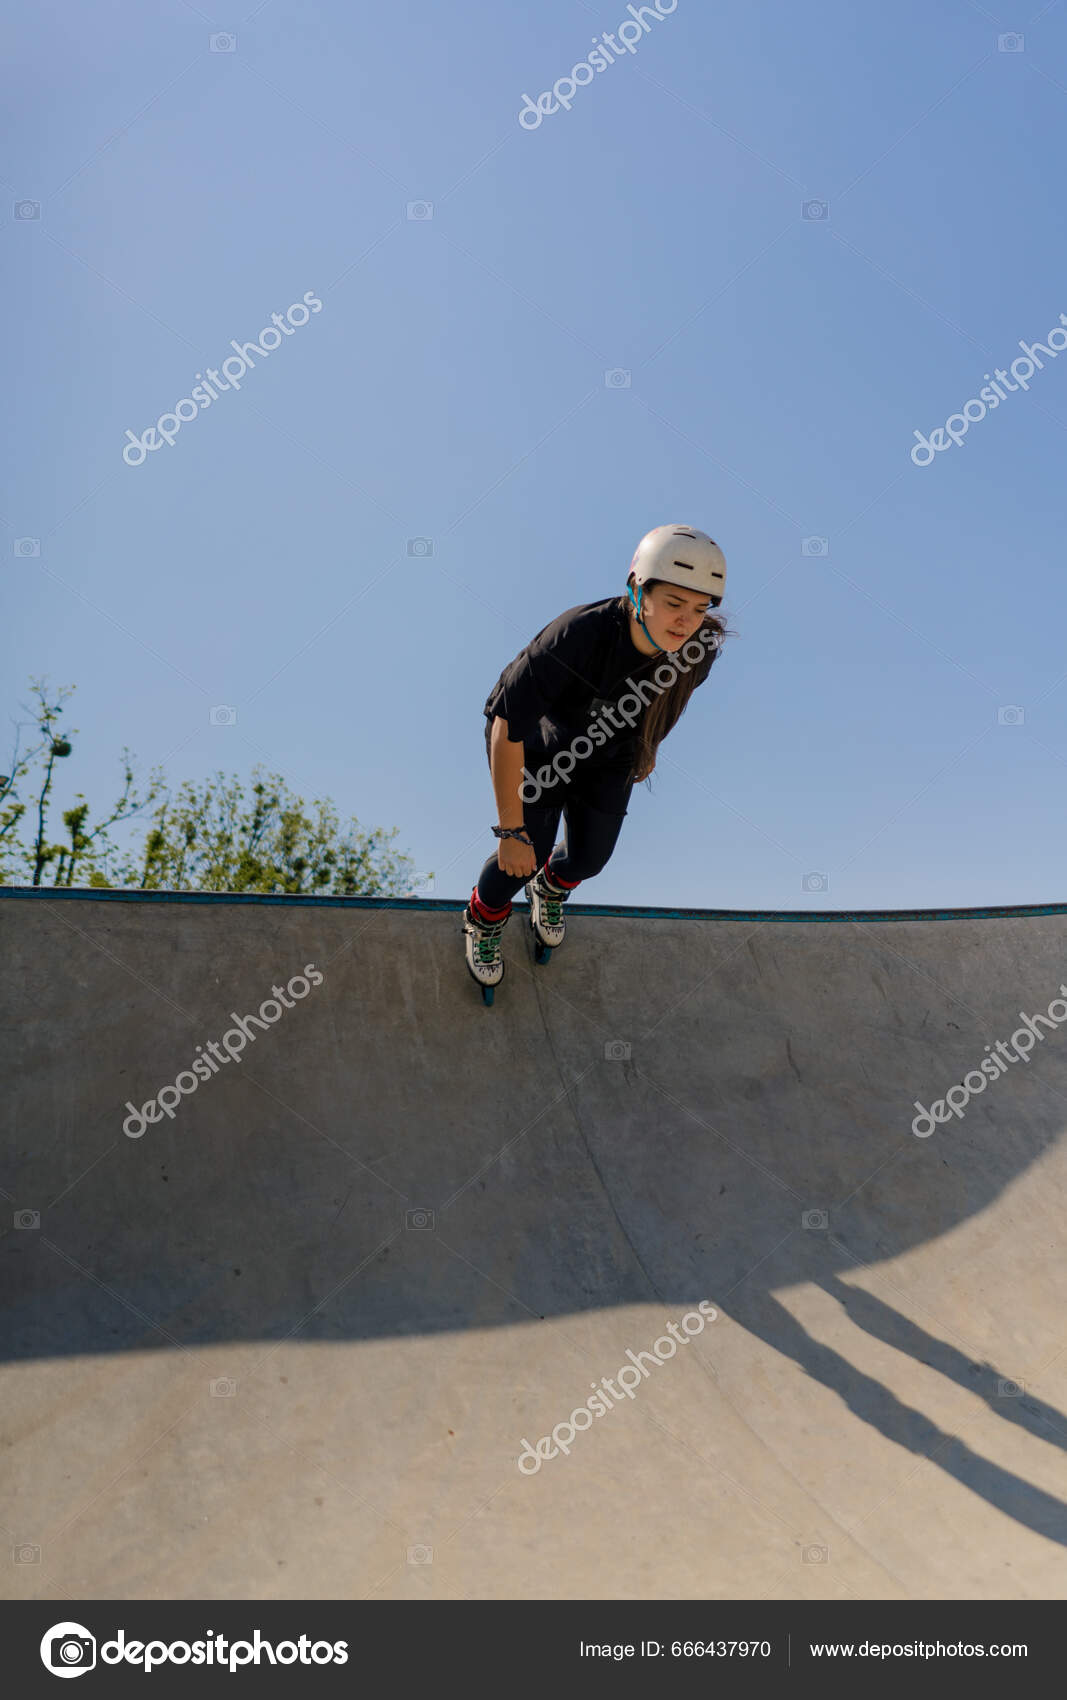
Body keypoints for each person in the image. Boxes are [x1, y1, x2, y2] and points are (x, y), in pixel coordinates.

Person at [462, 524, 729, 993]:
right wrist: (511, 831)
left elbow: (668, 701)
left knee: (589, 859)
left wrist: (648, 747)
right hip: (538, 747)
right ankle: (483, 918)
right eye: (673, 603)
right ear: (636, 589)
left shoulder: (697, 648)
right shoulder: (577, 635)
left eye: (698, 609)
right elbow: (507, 726)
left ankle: (550, 889)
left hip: (608, 751)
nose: (686, 621)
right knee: (524, 854)